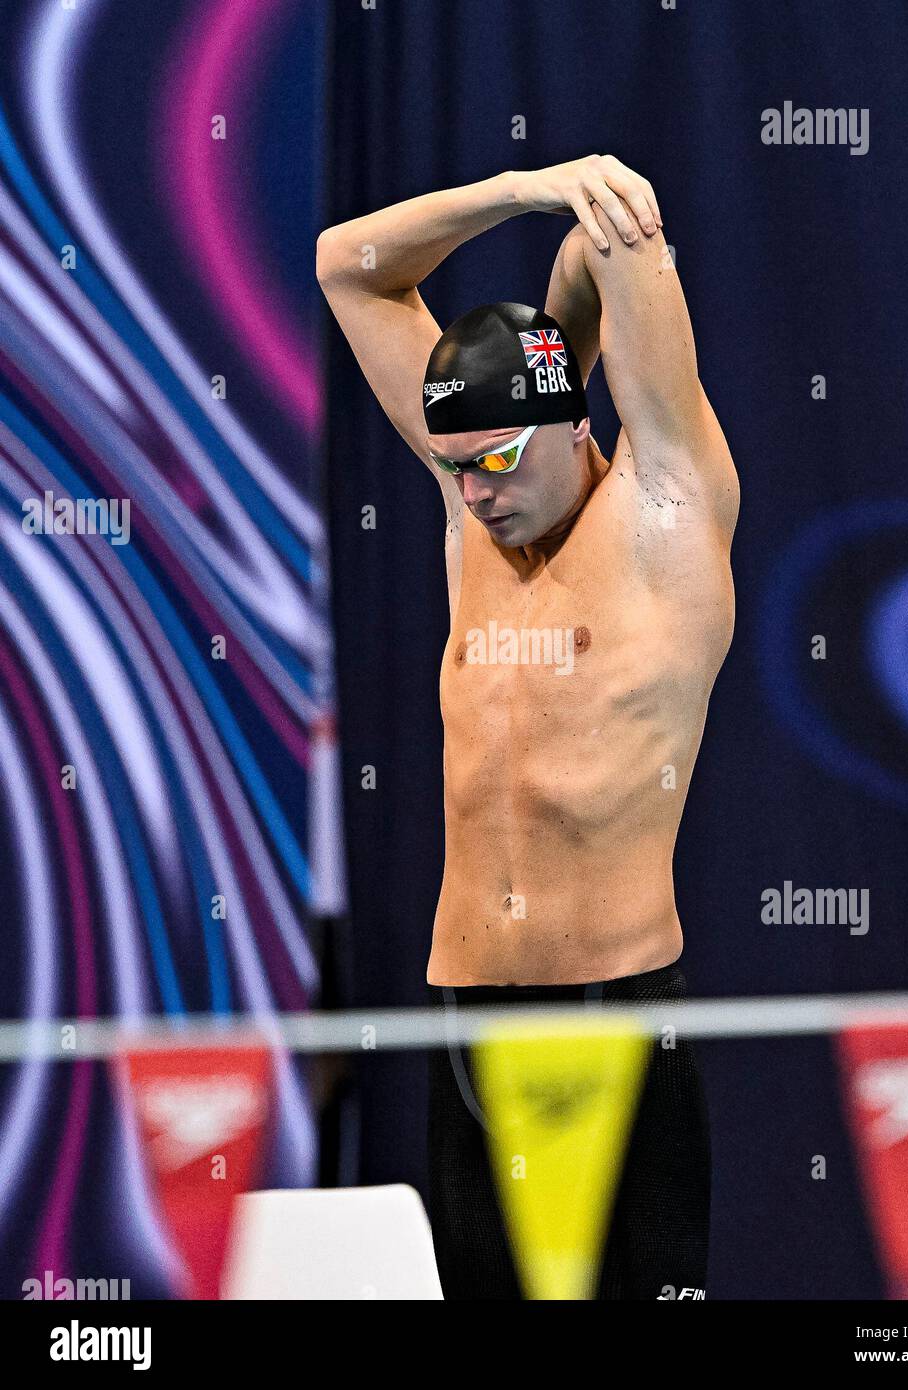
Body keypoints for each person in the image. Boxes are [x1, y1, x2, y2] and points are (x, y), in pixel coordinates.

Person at [317, 155, 738, 1299]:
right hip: (465, 1024)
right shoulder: (477, 516)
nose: (473, 495)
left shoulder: (666, 509)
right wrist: (516, 187)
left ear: (570, 418)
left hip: (611, 1019)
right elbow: (349, 270)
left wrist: (583, 217)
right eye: (452, 469)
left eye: (496, 461)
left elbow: (614, 247)